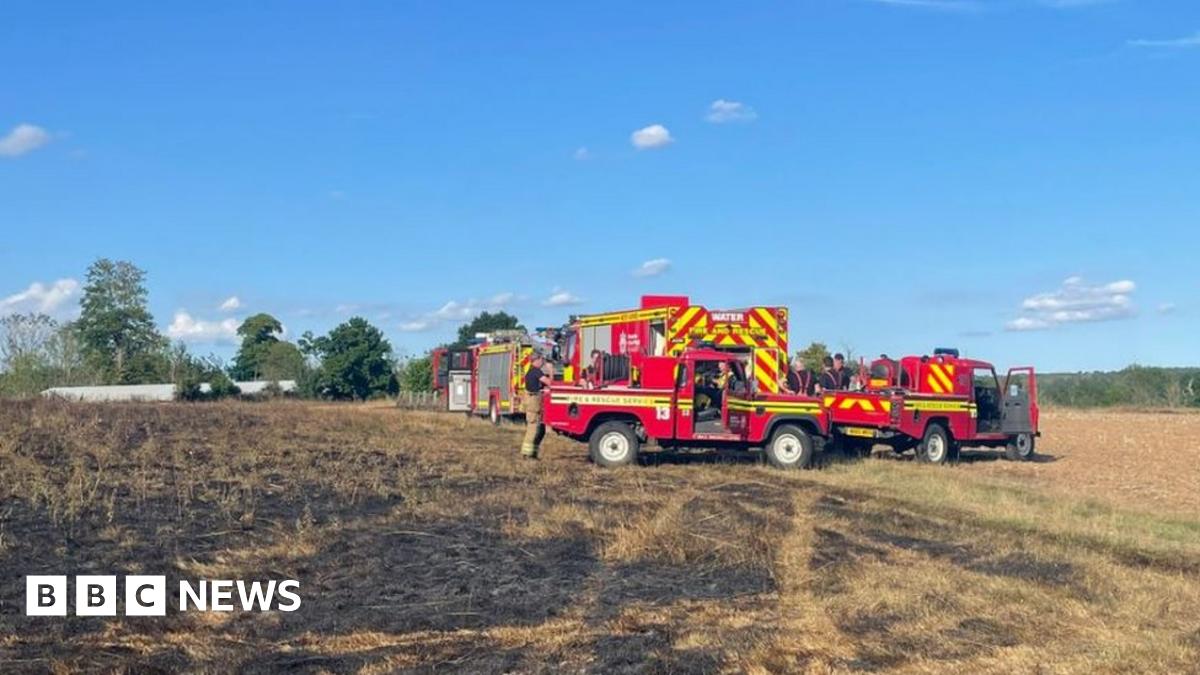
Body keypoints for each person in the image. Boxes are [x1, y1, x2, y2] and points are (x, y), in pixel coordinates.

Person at [521, 354, 552, 460]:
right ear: (536, 360)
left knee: (541, 430)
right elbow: (550, 383)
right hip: (533, 406)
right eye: (541, 360)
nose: (542, 362)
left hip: (536, 406)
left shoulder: (532, 371)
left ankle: (533, 453)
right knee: (532, 429)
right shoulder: (536, 371)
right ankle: (526, 455)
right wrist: (551, 370)